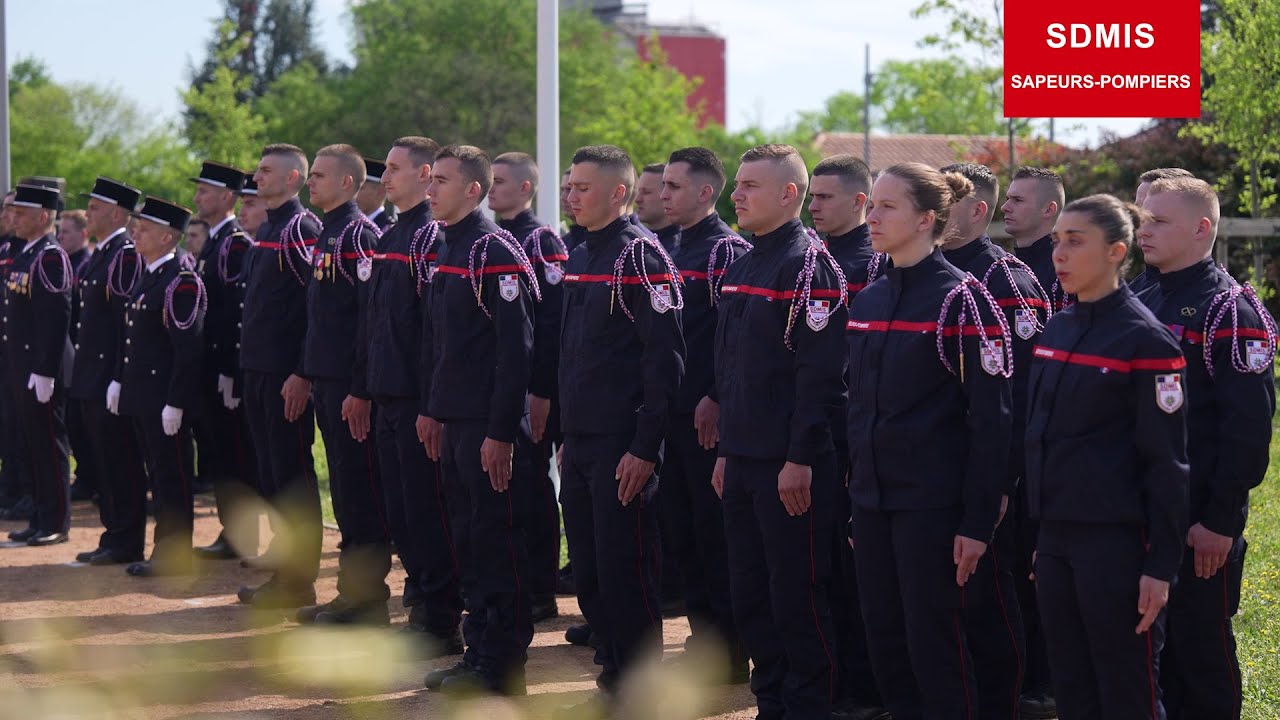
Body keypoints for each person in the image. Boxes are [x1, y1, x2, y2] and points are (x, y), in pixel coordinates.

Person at [846, 163, 1012, 719]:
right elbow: (859, 408)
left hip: (933, 508)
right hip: (873, 504)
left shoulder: (962, 300)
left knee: (934, 643)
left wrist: (976, 521)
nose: (872, 216)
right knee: (884, 640)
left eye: (888, 207)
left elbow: (992, 421)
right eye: (873, 205)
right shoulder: (868, 300)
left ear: (925, 219)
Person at [1024, 193, 1189, 720]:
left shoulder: (1146, 341)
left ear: (1117, 251)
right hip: (1056, 540)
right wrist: (1042, 540)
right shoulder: (1058, 327)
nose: (1060, 255)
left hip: (1117, 546)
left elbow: (1167, 465)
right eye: (1056, 242)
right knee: (1071, 686)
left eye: (1076, 242)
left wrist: (1160, 566)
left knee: (1126, 692)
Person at [712, 144, 847, 720]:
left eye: (749, 186)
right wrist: (725, 450)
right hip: (742, 457)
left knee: (797, 594)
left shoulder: (810, 267)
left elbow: (820, 379)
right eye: (737, 184)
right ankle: (772, 702)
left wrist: (800, 458)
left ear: (788, 194)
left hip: (789, 465)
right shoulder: (744, 263)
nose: (736, 195)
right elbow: (730, 370)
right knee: (750, 591)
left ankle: (809, 705)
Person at [1136, 177, 1275, 720]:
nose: (1145, 229)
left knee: (1200, 659)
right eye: (1143, 218)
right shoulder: (1137, 298)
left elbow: (1247, 430)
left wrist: (1219, 520)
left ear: (1202, 229)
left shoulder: (1231, 310)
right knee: (1149, 656)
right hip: (1139, 512)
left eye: (1160, 221)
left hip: (1198, 522)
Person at [555, 144, 685, 716]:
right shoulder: (582, 253)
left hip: (621, 444)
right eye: (569, 185)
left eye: (583, 187)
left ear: (618, 193)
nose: (571, 195)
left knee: (624, 569)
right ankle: (613, 672)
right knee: (588, 568)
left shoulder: (642, 257)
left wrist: (644, 447)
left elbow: (665, 362)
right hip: (580, 441)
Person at [416, 145, 538, 696]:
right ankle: (477, 650)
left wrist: (499, 432)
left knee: (496, 542)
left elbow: (516, 353)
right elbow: (443, 344)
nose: (430, 189)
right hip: (456, 421)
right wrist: (434, 410)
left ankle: (502, 662)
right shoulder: (449, 246)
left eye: (440, 180)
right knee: (469, 541)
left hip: (487, 427)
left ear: (472, 189)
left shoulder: (493, 249)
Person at [938, 161, 1052, 720]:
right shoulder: (916, 269)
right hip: (933, 470)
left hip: (994, 466)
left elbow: (1025, 388)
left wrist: (1004, 475)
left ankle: (1013, 695)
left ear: (978, 211)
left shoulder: (1006, 278)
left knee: (995, 588)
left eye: (946, 200)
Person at [357, 136, 464, 653]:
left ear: (426, 176)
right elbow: (378, 323)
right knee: (401, 511)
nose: (386, 177)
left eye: (396, 169)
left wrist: (432, 404)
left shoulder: (429, 237)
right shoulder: (389, 234)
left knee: (427, 511)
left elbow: (433, 330)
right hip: (387, 395)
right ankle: (421, 602)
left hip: (418, 400)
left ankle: (440, 619)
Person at [656, 146, 750, 683]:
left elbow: (728, 336)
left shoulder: (724, 252)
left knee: (715, 539)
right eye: (663, 185)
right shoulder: (666, 247)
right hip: (668, 416)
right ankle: (703, 639)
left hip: (706, 418)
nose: (664, 195)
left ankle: (729, 651)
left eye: (673, 186)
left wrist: (715, 395)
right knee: (683, 535)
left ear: (705, 192)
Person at [294, 144, 392, 626]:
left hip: (351, 386)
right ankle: (351, 593)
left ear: (348, 184)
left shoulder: (359, 235)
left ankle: (366, 597)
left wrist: (360, 387)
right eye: (310, 175)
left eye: (319, 176)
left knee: (359, 490)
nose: (310, 183)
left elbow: (367, 322)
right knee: (345, 490)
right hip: (327, 381)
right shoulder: (328, 232)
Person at [806, 153, 888, 720]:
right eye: (811, 196)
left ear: (860, 203)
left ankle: (864, 686)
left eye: (826, 197)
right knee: (819, 566)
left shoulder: (870, 265)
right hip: (813, 430)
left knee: (850, 567)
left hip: (850, 433)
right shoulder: (811, 257)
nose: (815, 206)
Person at [237, 144, 321, 611]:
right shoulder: (269, 227)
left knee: (291, 476)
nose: (257, 176)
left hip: (284, 376)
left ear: (293, 179)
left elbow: (314, 308)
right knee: (270, 474)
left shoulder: (300, 228)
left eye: (266, 171)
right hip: (257, 370)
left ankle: (299, 579)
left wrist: (301, 371)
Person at [489, 150, 567, 623]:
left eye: (500, 181)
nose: (491, 189)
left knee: (532, 487)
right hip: (503, 387)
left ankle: (540, 587)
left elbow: (551, 322)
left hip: (532, 390)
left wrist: (541, 391)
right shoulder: (496, 237)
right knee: (509, 491)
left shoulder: (540, 241)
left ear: (525, 188)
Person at [998, 164, 1064, 720]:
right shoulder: (1003, 268)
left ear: (1050, 209)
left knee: (1038, 565)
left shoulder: (1058, 270)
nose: (1006, 208)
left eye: (1019, 199)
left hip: (1048, 442)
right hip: (1012, 436)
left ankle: (1045, 679)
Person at [110, 196, 206, 578]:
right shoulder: (148, 275)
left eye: (145, 229)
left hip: (164, 397)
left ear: (168, 238)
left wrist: (176, 402)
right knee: (157, 474)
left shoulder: (180, 282)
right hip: (143, 396)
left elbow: (188, 349)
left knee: (173, 476)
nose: (136, 233)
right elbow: (130, 336)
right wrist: (119, 377)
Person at [70, 177, 149, 565]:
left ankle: (126, 537)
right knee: (102, 460)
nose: (89, 213)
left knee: (121, 460)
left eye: (97, 207)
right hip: (90, 376)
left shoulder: (125, 254)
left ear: (118, 214)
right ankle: (113, 532)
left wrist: (120, 375)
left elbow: (125, 323)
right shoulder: (103, 253)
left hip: (107, 377)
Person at [186, 161, 260, 563]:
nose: (197, 198)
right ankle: (232, 532)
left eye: (204, 192)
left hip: (226, 369)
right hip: (212, 367)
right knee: (222, 455)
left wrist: (232, 372)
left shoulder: (234, 243)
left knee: (237, 456)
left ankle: (244, 535)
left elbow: (236, 311)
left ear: (227, 197)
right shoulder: (216, 241)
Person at [3, 183, 74, 547]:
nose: (12, 216)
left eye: (20, 212)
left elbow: (55, 316)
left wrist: (45, 369)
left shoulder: (49, 256)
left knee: (49, 445)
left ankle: (56, 521)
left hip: (40, 368)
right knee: (32, 445)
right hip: (23, 366)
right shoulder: (26, 252)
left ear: (42, 217)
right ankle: (39, 516)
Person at [59, 208, 97, 502]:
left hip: (82, 351)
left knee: (83, 422)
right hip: (73, 351)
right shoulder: (69, 262)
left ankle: (91, 477)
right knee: (75, 421)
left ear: (84, 234)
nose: (60, 237)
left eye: (67, 232)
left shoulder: (85, 262)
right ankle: (86, 476)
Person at [1129, 168, 1196, 296]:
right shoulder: (1135, 290)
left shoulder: (1223, 301)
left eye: (1155, 217)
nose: (1142, 228)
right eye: (1138, 211)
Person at [635, 163, 680, 252]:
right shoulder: (635, 240)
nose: (637, 199)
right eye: (638, 191)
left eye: (646, 192)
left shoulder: (679, 249)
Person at [358, 156, 395, 231]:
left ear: (380, 191)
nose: (353, 194)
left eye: (360, 188)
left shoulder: (389, 231)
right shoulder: (348, 226)